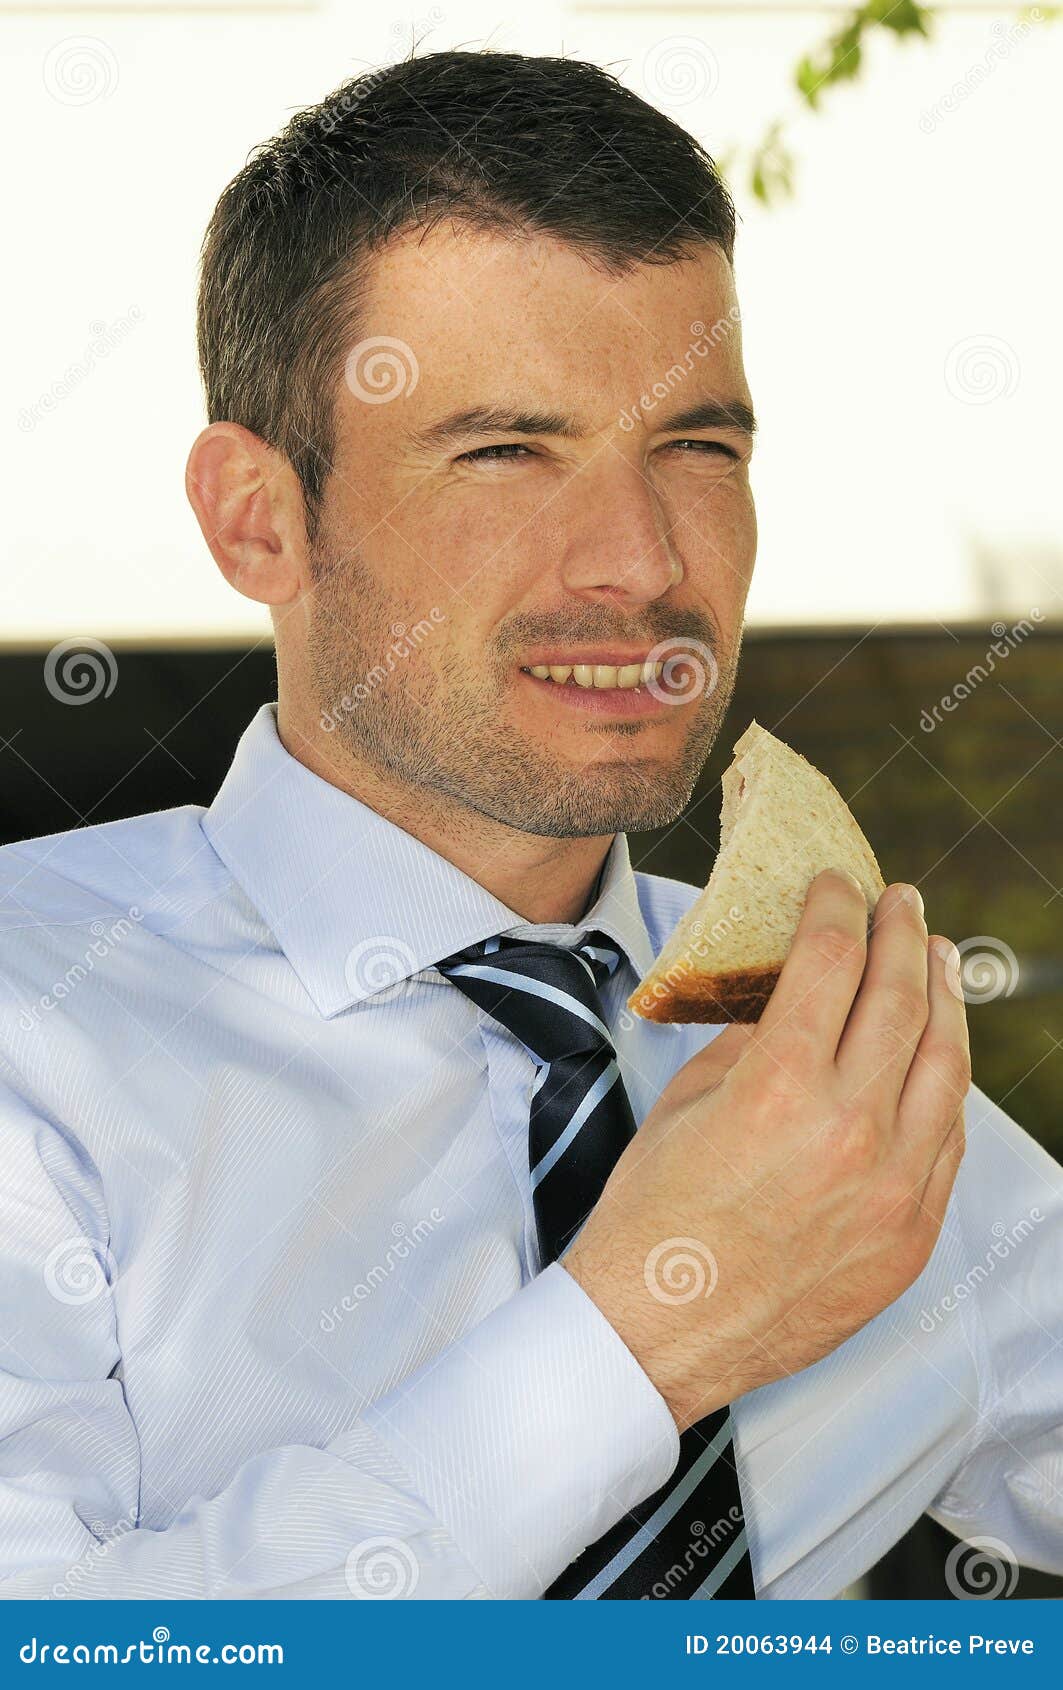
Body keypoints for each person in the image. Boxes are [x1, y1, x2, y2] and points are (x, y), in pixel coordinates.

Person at [1, 49, 1060, 1602]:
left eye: (698, 448)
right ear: (256, 518)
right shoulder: (33, 1025)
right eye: (506, 451)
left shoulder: (831, 1071)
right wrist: (643, 1334)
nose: (640, 560)